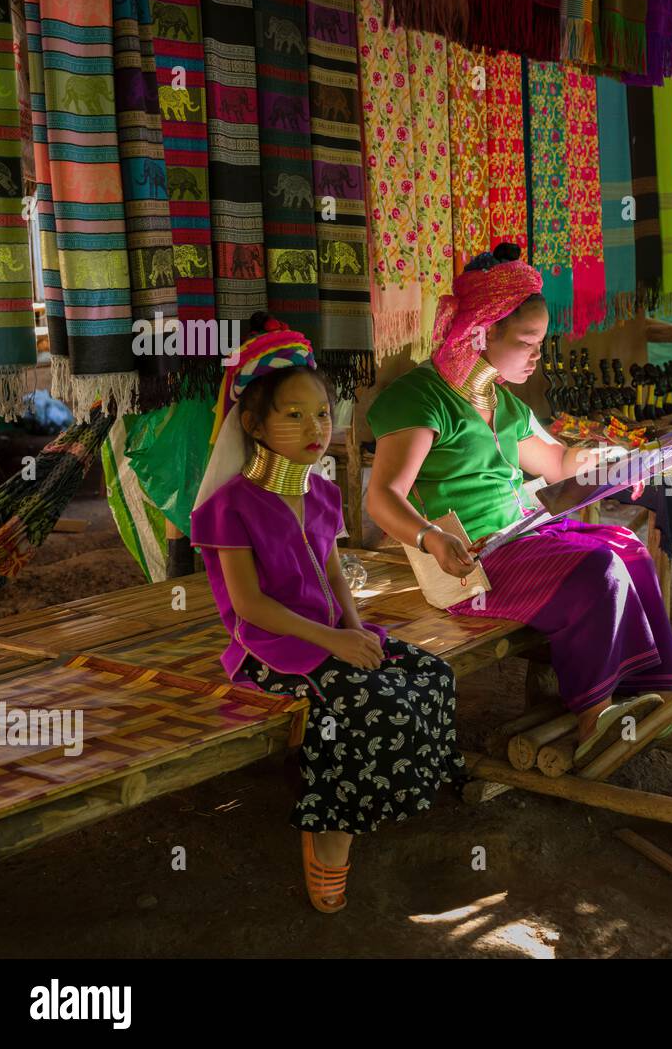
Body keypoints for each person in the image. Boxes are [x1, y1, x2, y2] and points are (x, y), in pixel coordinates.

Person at [366, 244, 672, 768]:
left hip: (520, 540)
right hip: (468, 563)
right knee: (598, 568)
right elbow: (383, 497)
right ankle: (594, 714)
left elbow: (557, 462)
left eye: (542, 341)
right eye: (528, 342)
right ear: (482, 333)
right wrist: (432, 538)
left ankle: (645, 692)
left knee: (625, 546)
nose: (539, 355)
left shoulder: (502, 401)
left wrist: (613, 458)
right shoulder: (421, 398)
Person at [189, 315, 465, 915]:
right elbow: (249, 606)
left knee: (433, 677)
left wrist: (354, 627)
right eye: (293, 415)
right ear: (253, 423)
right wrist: (332, 643)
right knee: (373, 707)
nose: (315, 427)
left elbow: (334, 571)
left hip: (334, 635)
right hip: (270, 650)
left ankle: (377, 802)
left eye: (321, 412)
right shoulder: (228, 507)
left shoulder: (322, 492)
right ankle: (329, 836)